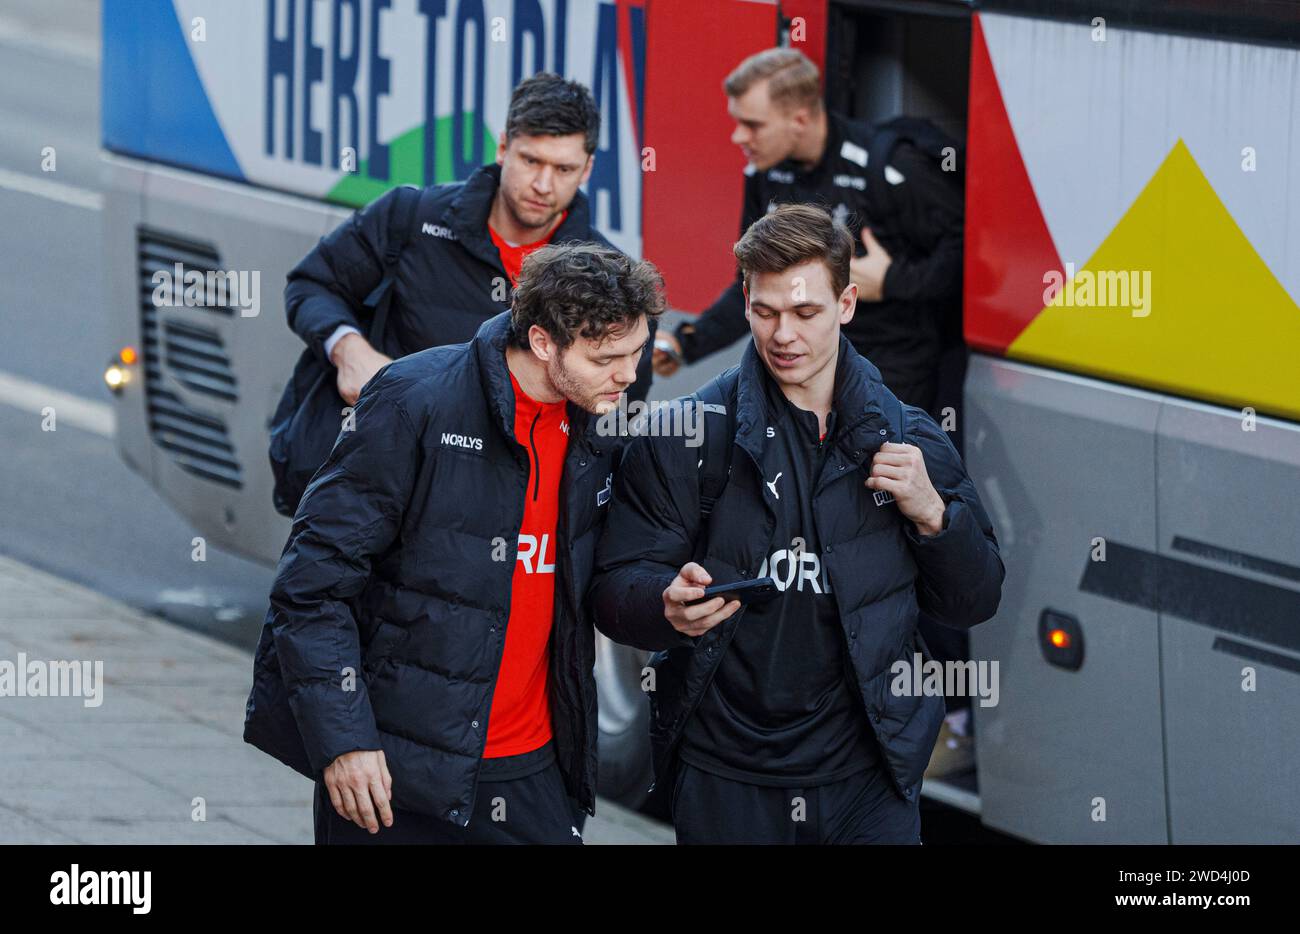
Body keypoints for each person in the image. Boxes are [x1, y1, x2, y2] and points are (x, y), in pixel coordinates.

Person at [591, 204, 1001, 844]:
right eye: (765, 311)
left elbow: (974, 601)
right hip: (730, 777)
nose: (784, 334)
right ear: (746, 301)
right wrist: (662, 606)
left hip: (868, 779)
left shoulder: (909, 439)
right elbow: (614, 590)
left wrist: (935, 517)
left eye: (806, 312)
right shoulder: (684, 437)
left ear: (847, 304)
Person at [245, 243, 665, 844]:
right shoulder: (415, 401)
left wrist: (666, 602)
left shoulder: (598, 420)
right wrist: (345, 741)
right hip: (396, 773)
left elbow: (605, 578)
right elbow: (311, 589)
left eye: (636, 352)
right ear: (544, 342)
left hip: (534, 770)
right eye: (608, 358)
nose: (628, 375)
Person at [285, 71, 656, 409]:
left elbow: (618, 410)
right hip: (387, 461)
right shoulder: (412, 215)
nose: (543, 185)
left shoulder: (612, 281)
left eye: (563, 169)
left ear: (587, 169)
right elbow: (312, 284)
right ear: (503, 148)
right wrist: (348, 349)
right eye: (530, 161)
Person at [652, 47, 961, 418]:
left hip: (891, 371)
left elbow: (968, 256)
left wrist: (894, 281)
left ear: (799, 119)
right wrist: (686, 344)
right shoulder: (765, 176)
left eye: (752, 125)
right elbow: (751, 288)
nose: (738, 136)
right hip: (806, 366)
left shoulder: (887, 167)